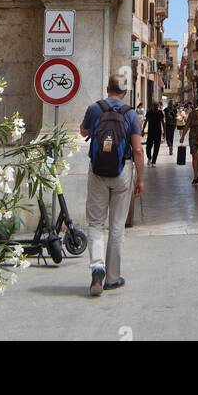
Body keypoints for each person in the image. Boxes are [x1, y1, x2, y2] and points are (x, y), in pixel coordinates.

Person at [79, 74, 144, 297]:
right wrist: (141, 178)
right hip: (122, 171)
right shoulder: (130, 113)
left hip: (97, 171)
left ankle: (97, 267)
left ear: (107, 89)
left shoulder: (94, 108)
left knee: (96, 222)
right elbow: (137, 149)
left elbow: (83, 132)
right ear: (125, 92)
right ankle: (113, 278)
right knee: (116, 226)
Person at [144, 100, 164, 166]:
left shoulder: (160, 113)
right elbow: (146, 121)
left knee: (156, 147)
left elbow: (163, 122)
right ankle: (149, 157)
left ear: (158, 106)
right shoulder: (149, 112)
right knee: (148, 147)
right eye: (154, 105)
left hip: (158, 132)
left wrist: (164, 132)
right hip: (150, 132)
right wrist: (143, 130)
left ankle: (154, 162)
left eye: (157, 105)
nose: (156, 106)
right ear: (152, 106)